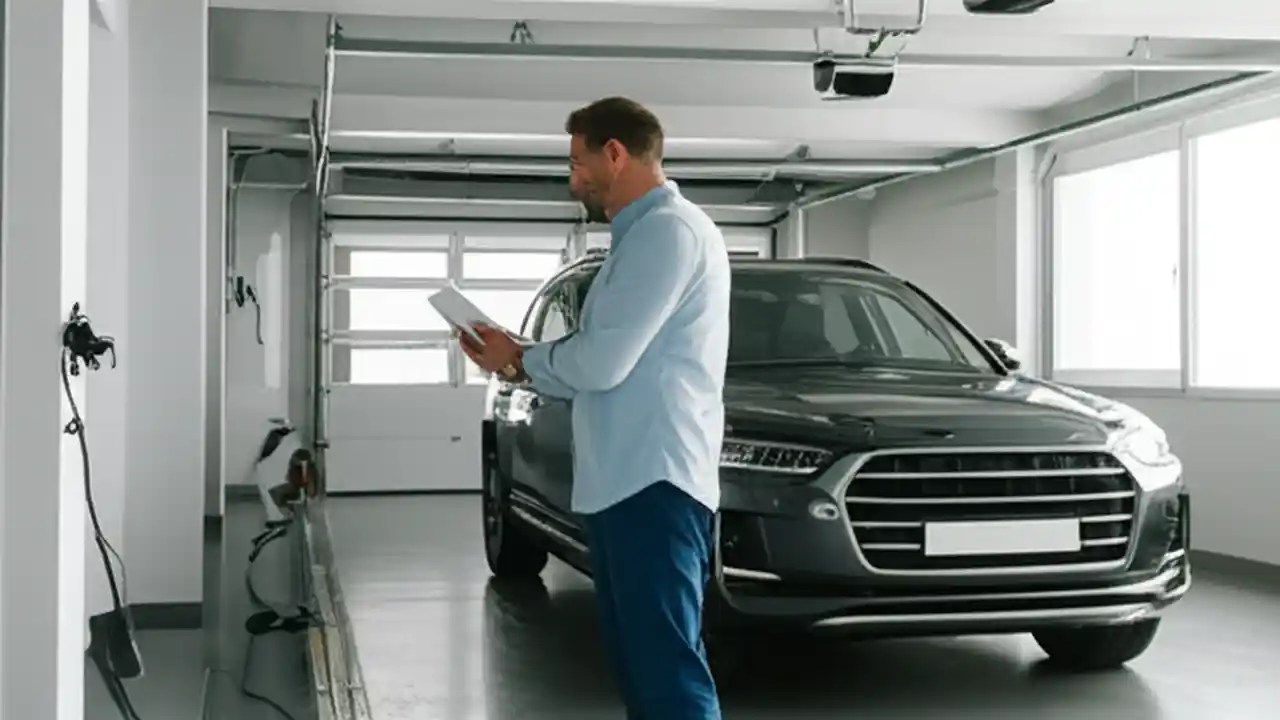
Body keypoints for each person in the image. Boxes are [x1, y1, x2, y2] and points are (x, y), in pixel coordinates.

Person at [459, 96, 730, 720]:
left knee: (663, 665)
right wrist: (519, 355)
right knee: (642, 660)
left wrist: (520, 359)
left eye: (579, 161)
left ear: (616, 153)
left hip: (652, 481)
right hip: (628, 480)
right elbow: (599, 358)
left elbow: (602, 362)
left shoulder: (668, 232)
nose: (573, 176)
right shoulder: (643, 238)